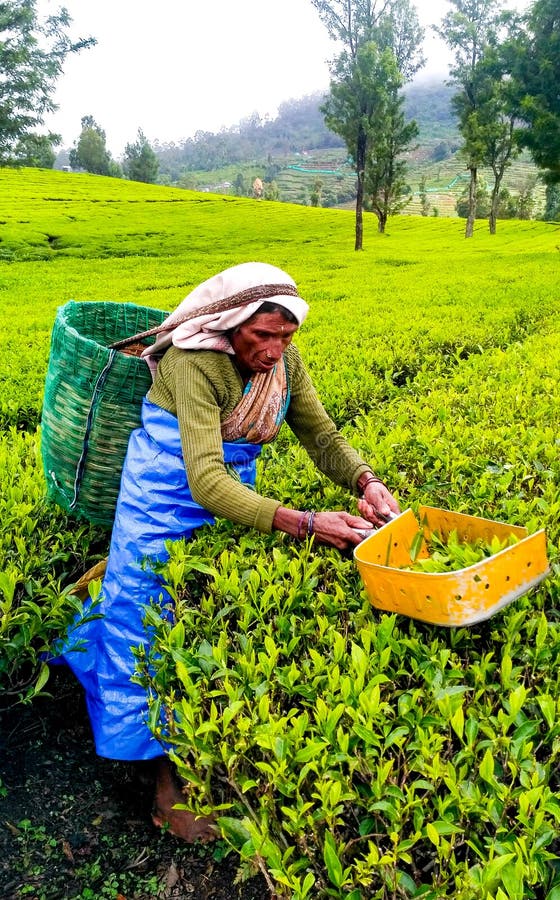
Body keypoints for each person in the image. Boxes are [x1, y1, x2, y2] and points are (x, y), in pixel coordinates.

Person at [60, 262, 400, 843]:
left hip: (230, 491)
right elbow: (204, 481)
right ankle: (161, 787)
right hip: (163, 495)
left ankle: (194, 745)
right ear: (231, 324)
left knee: (195, 622)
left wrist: (366, 481)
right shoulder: (196, 362)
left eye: (285, 336)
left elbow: (321, 435)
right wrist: (306, 523)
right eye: (262, 335)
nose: (273, 350)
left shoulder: (283, 364)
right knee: (144, 620)